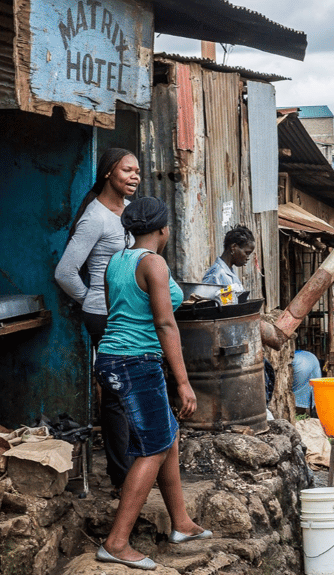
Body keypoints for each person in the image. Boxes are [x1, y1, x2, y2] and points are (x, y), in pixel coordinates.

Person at [93, 197, 209, 570]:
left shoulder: (116, 260)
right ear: (163, 230)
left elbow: (118, 311)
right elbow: (164, 324)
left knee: (166, 435)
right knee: (154, 447)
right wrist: (184, 382)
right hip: (135, 363)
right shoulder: (154, 262)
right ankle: (116, 542)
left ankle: (181, 523)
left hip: (111, 357)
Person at [55, 148, 139, 492]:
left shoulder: (129, 212)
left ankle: (132, 468)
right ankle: (122, 478)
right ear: (108, 173)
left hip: (126, 314)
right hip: (104, 316)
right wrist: (92, 298)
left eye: (137, 171)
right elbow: (65, 272)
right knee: (117, 397)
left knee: (131, 392)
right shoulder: (95, 217)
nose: (134, 177)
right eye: (127, 171)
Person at [202, 225, 256, 292]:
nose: (247, 258)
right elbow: (206, 301)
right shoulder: (215, 275)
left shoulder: (230, 272)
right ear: (234, 247)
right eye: (247, 253)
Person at [291, 350, 321, 416]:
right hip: (311, 361)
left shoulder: (295, 355)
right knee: (314, 389)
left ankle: (297, 414)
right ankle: (309, 414)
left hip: (300, 363)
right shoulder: (311, 356)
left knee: (292, 391)